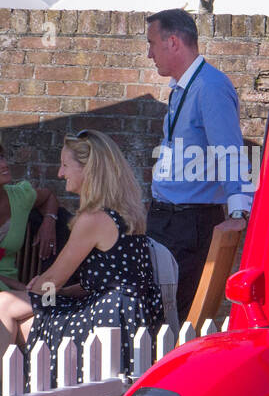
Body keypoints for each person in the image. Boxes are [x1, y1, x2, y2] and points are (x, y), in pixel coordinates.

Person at [0, 131, 163, 368]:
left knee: (5, 311)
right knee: (6, 303)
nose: (60, 173)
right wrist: (58, 291)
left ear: (89, 169)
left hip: (105, 324)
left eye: (65, 165)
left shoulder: (93, 219)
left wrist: (38, 286)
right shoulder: (126, 213)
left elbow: (51, 282)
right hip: (130, 320)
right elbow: (106, 281)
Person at [145, 8, 250, 316]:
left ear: (173, 42)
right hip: (170, 220)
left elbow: (230, 151)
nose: (149, 53)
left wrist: (239, 210)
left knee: (171, 317)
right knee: (160, 314)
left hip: (187, 224)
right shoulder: (183, 87)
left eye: (152, 43)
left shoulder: (210, 87)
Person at [0, 142, 62, 291]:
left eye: (1, 157)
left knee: (46, 304)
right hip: (14, 293)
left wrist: (49, 221)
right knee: (42, 303)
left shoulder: (19, 196)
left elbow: (49, 196)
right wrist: (22, 289)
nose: (4, 164)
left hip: (12, 294)